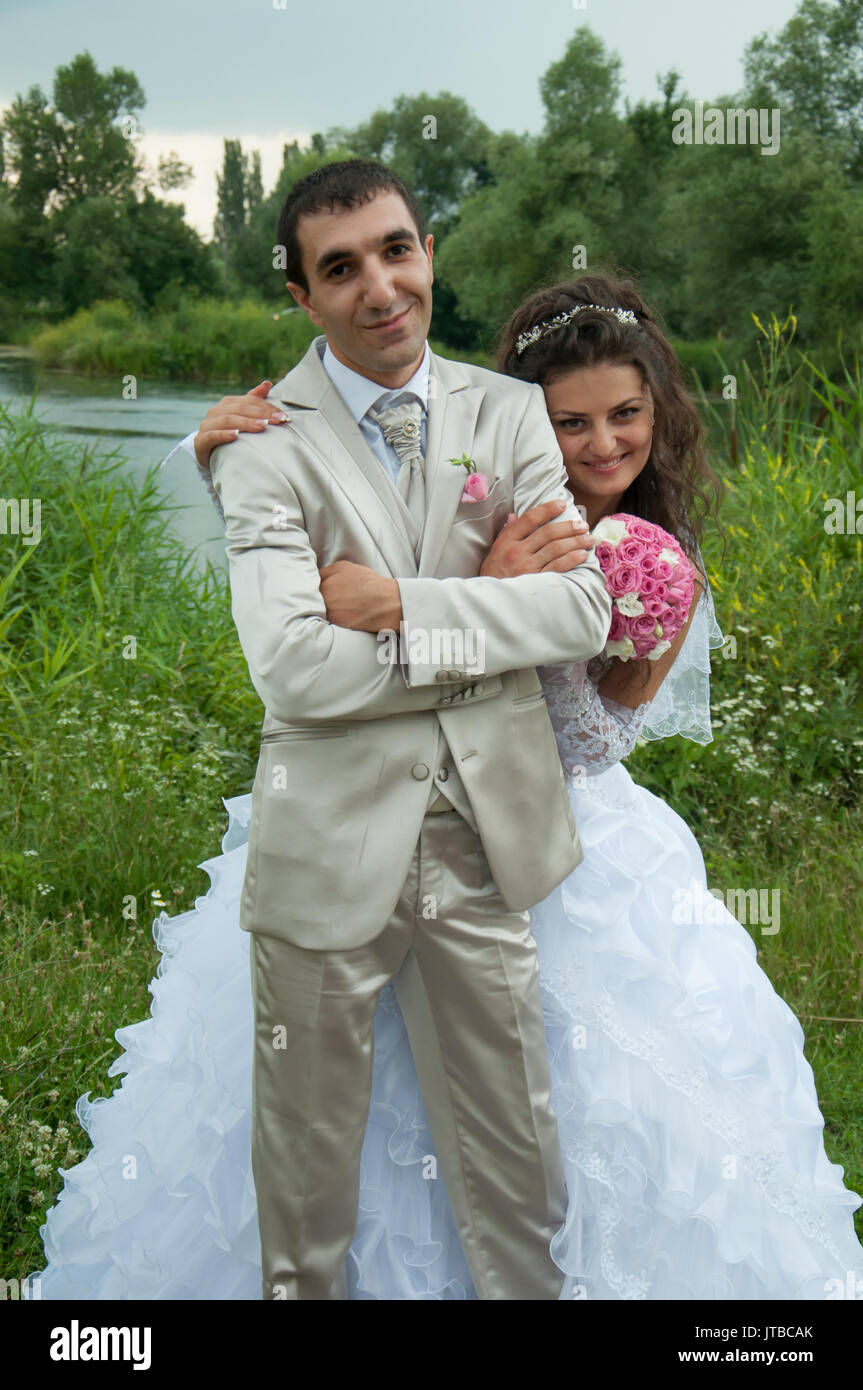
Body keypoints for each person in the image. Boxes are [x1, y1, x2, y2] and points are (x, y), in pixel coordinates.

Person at [28, 255, 863, 1300]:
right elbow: (324, 572)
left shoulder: (656, 558)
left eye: (625, 415)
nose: (602, 445)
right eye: (569, 423)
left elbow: (594, 734)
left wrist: (429, 609)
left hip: (546, 824)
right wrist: (217, 456)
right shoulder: (467, 475)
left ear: (659, 413)